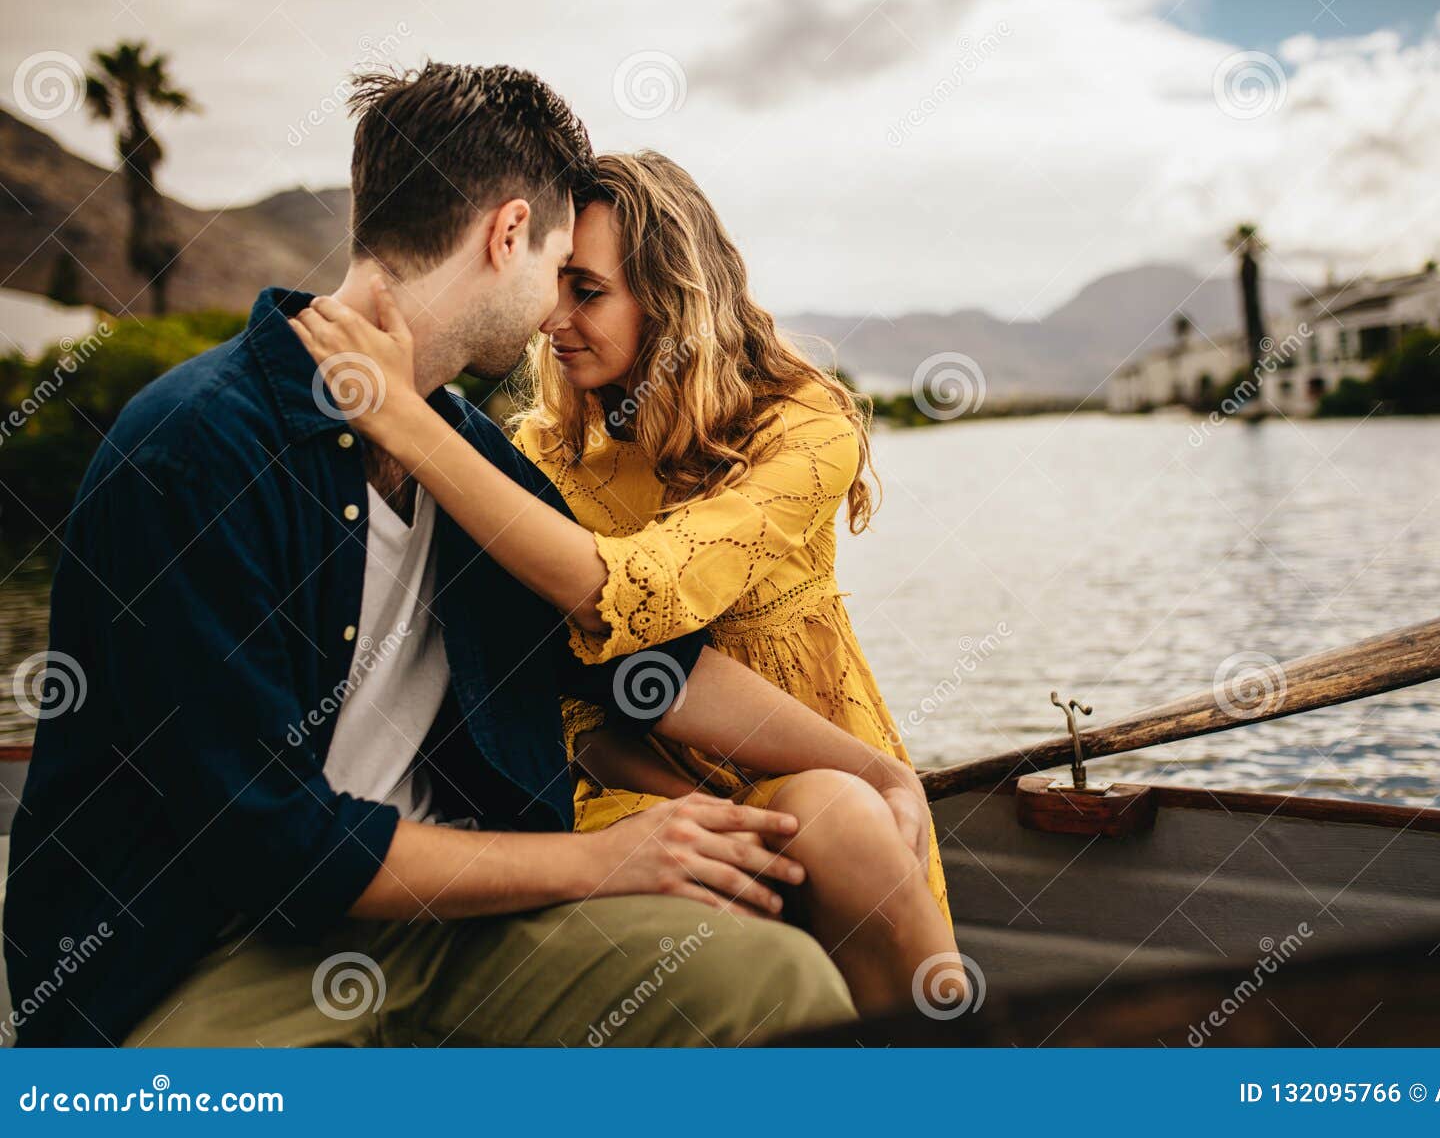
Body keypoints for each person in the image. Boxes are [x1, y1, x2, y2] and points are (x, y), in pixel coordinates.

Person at [0, 62, 928, 1048]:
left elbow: (631, 664)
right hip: (205, 955)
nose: (553, 312)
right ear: (509, 233)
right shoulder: (193, 450)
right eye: (558, 265)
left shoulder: (466, 454)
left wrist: (873, 770)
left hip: (443, 926)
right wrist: (602, 861)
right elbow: (273, 846)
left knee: (766, 978)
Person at [284, 152, 962, 1014]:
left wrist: (408, 420)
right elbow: (568, 700)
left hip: (801, 739)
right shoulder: (539, 457)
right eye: (554, 286)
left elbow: (647, 591)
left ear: (672, 296)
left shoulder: (801, 427)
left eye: (590, 292)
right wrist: (692, 810)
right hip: (620, 777)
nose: (554, 320)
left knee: (849, 823)